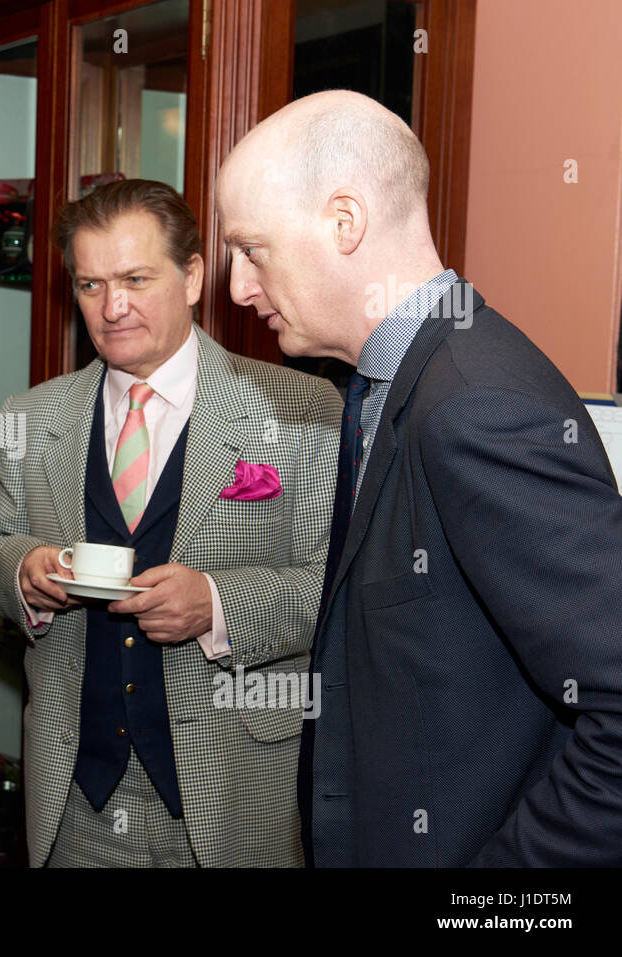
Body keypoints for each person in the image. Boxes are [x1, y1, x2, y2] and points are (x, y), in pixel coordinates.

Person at [216, 89, 622, 866]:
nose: (237, 287)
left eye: (253, 248)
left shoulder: (474, 404)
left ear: (345, 221)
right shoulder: (389, 384)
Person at [0, 179, 341, 867]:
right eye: (90, 284)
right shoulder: (32, 415)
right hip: (78, 799)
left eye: (136, 278)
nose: (113, 307)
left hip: (235, 797)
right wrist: (21, 569)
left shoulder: (299, 408)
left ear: (193, 276)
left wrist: (219, 604)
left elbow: (337, 588)